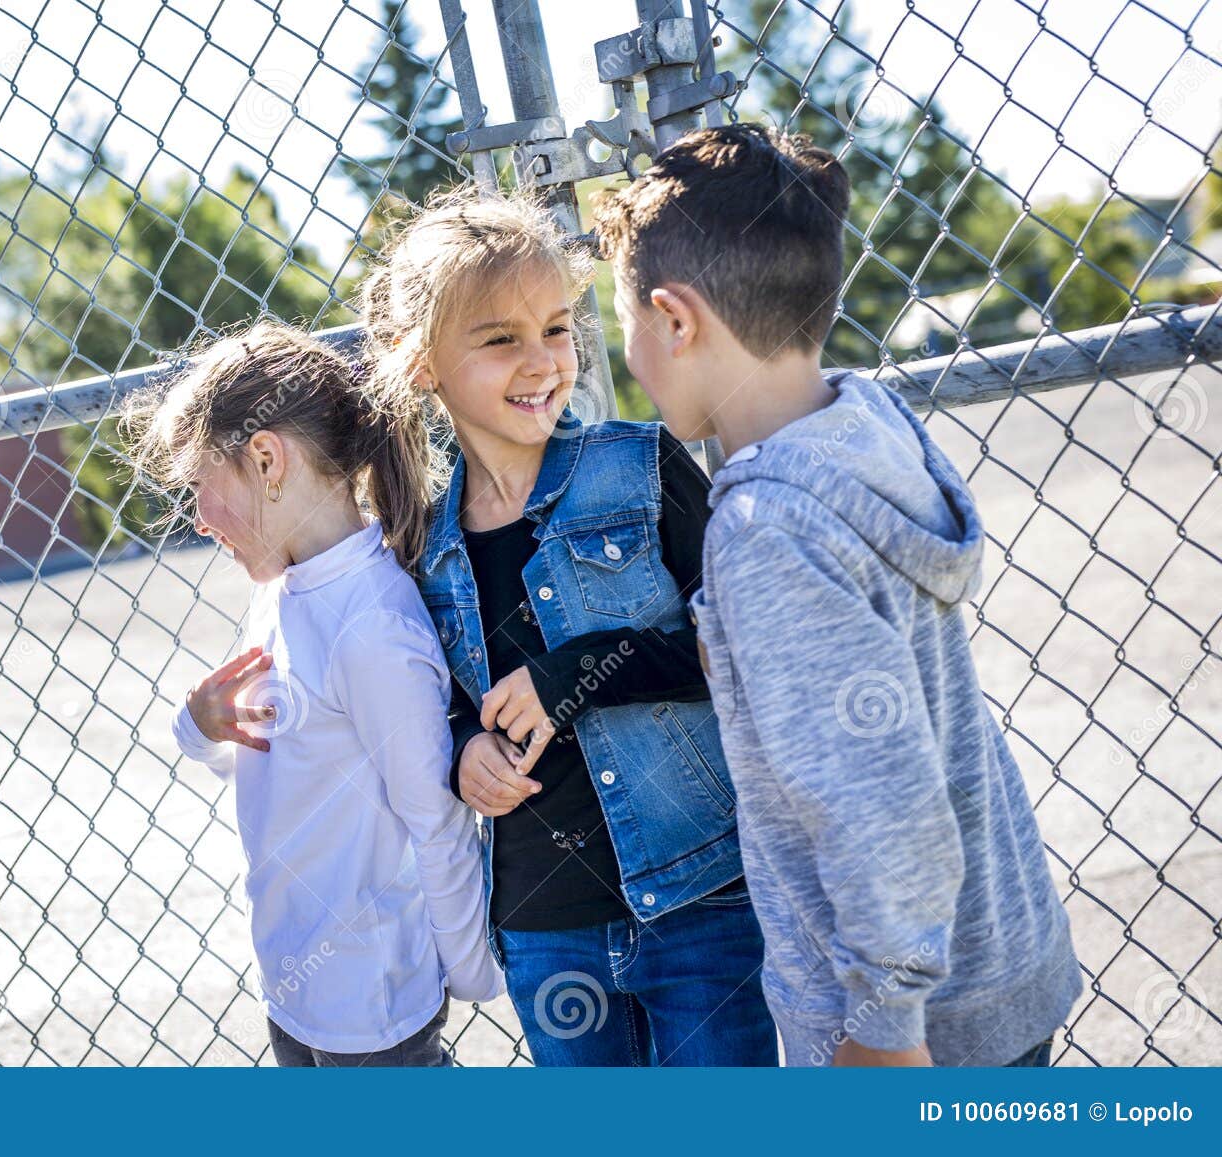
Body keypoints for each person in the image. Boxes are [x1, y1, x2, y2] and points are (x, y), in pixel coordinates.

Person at [593, 122, 1082, 1066]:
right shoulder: (865, 425)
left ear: (675, 318)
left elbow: (878, 803)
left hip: (914, 1032)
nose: (632, 360)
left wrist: (882, 1029)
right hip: (1001, 958)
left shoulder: (763, 531)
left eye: (627, 329)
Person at [362, 188, 778, 1066]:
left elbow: (743, 644)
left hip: (699, 895)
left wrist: (578, 670)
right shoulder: (420, 545)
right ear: (424, 363)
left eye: (556, 328)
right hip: (546, 924)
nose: (543, 360)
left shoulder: (637, 468)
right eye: (500, 337)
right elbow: (425, 698)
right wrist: (462, 745)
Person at [126, 321, 502, 1066]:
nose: (199, 519)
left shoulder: (370, 624)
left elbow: (435, 819)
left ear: (267, 460)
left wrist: (472, 970)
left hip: (372, 1004)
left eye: (202, 486)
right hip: (295, 986)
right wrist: (202, 728)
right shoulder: (286, 590)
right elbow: (274, 755)